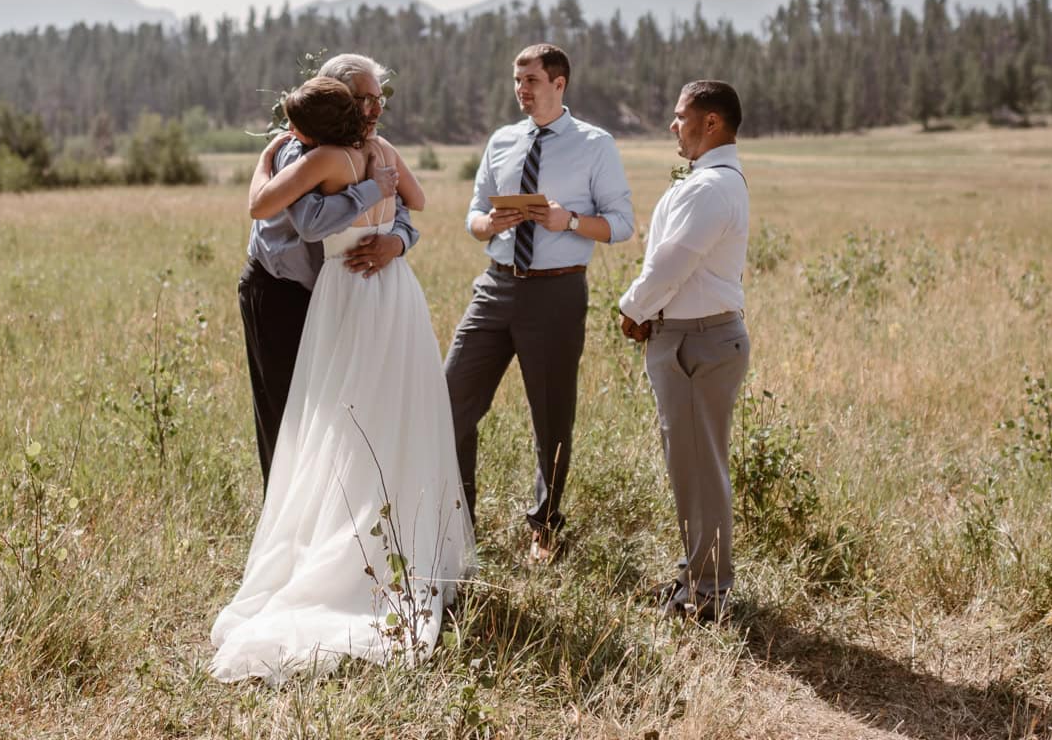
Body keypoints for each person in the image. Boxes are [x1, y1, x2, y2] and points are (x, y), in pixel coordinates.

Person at [212, 78, 475, 683]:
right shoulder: (380, 154)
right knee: (386, 411)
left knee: (334, 415)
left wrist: (267, 163)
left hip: (346, 289)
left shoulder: (324, 157)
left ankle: (330, 541)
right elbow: (418, 199)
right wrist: (377, 190)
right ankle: (391, 537)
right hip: (394, 298)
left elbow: (287, 214)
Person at [445, 43, 634, 564]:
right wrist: (489, 224)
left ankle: (545, 528)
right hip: (496, 285)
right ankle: (459, 524)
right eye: (516, 80)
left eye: (531, 80)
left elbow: (621, 225)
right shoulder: (502, 141)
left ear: (559, 84)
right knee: (449, 403)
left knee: (551, 418)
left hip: (556, 291)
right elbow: (474, 214)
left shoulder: (596, 145)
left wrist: (567, 221)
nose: (521, 90)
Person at [237, 53, 417, 488]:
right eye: (364, 99)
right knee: (286, 416)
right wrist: (372, 189)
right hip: (283, 291)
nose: (374, 109)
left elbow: (407, 211)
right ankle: (283, 528)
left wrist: (397, 242)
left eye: (380, 99)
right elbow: (311, 220)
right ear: (337, 100)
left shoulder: (371, 151)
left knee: (341, 412)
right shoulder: (299, 151)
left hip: (339, 297)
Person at [617, 80, 750, 623]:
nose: (673, 124)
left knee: (699, 470)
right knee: (691, 466)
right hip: (690, 336)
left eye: (680, 116)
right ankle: (696, 576)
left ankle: (707, 594)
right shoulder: (710, 181)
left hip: (698, 339)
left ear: (712, 122)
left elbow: (672, 262)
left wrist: (633, 309)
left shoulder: (709, 188)